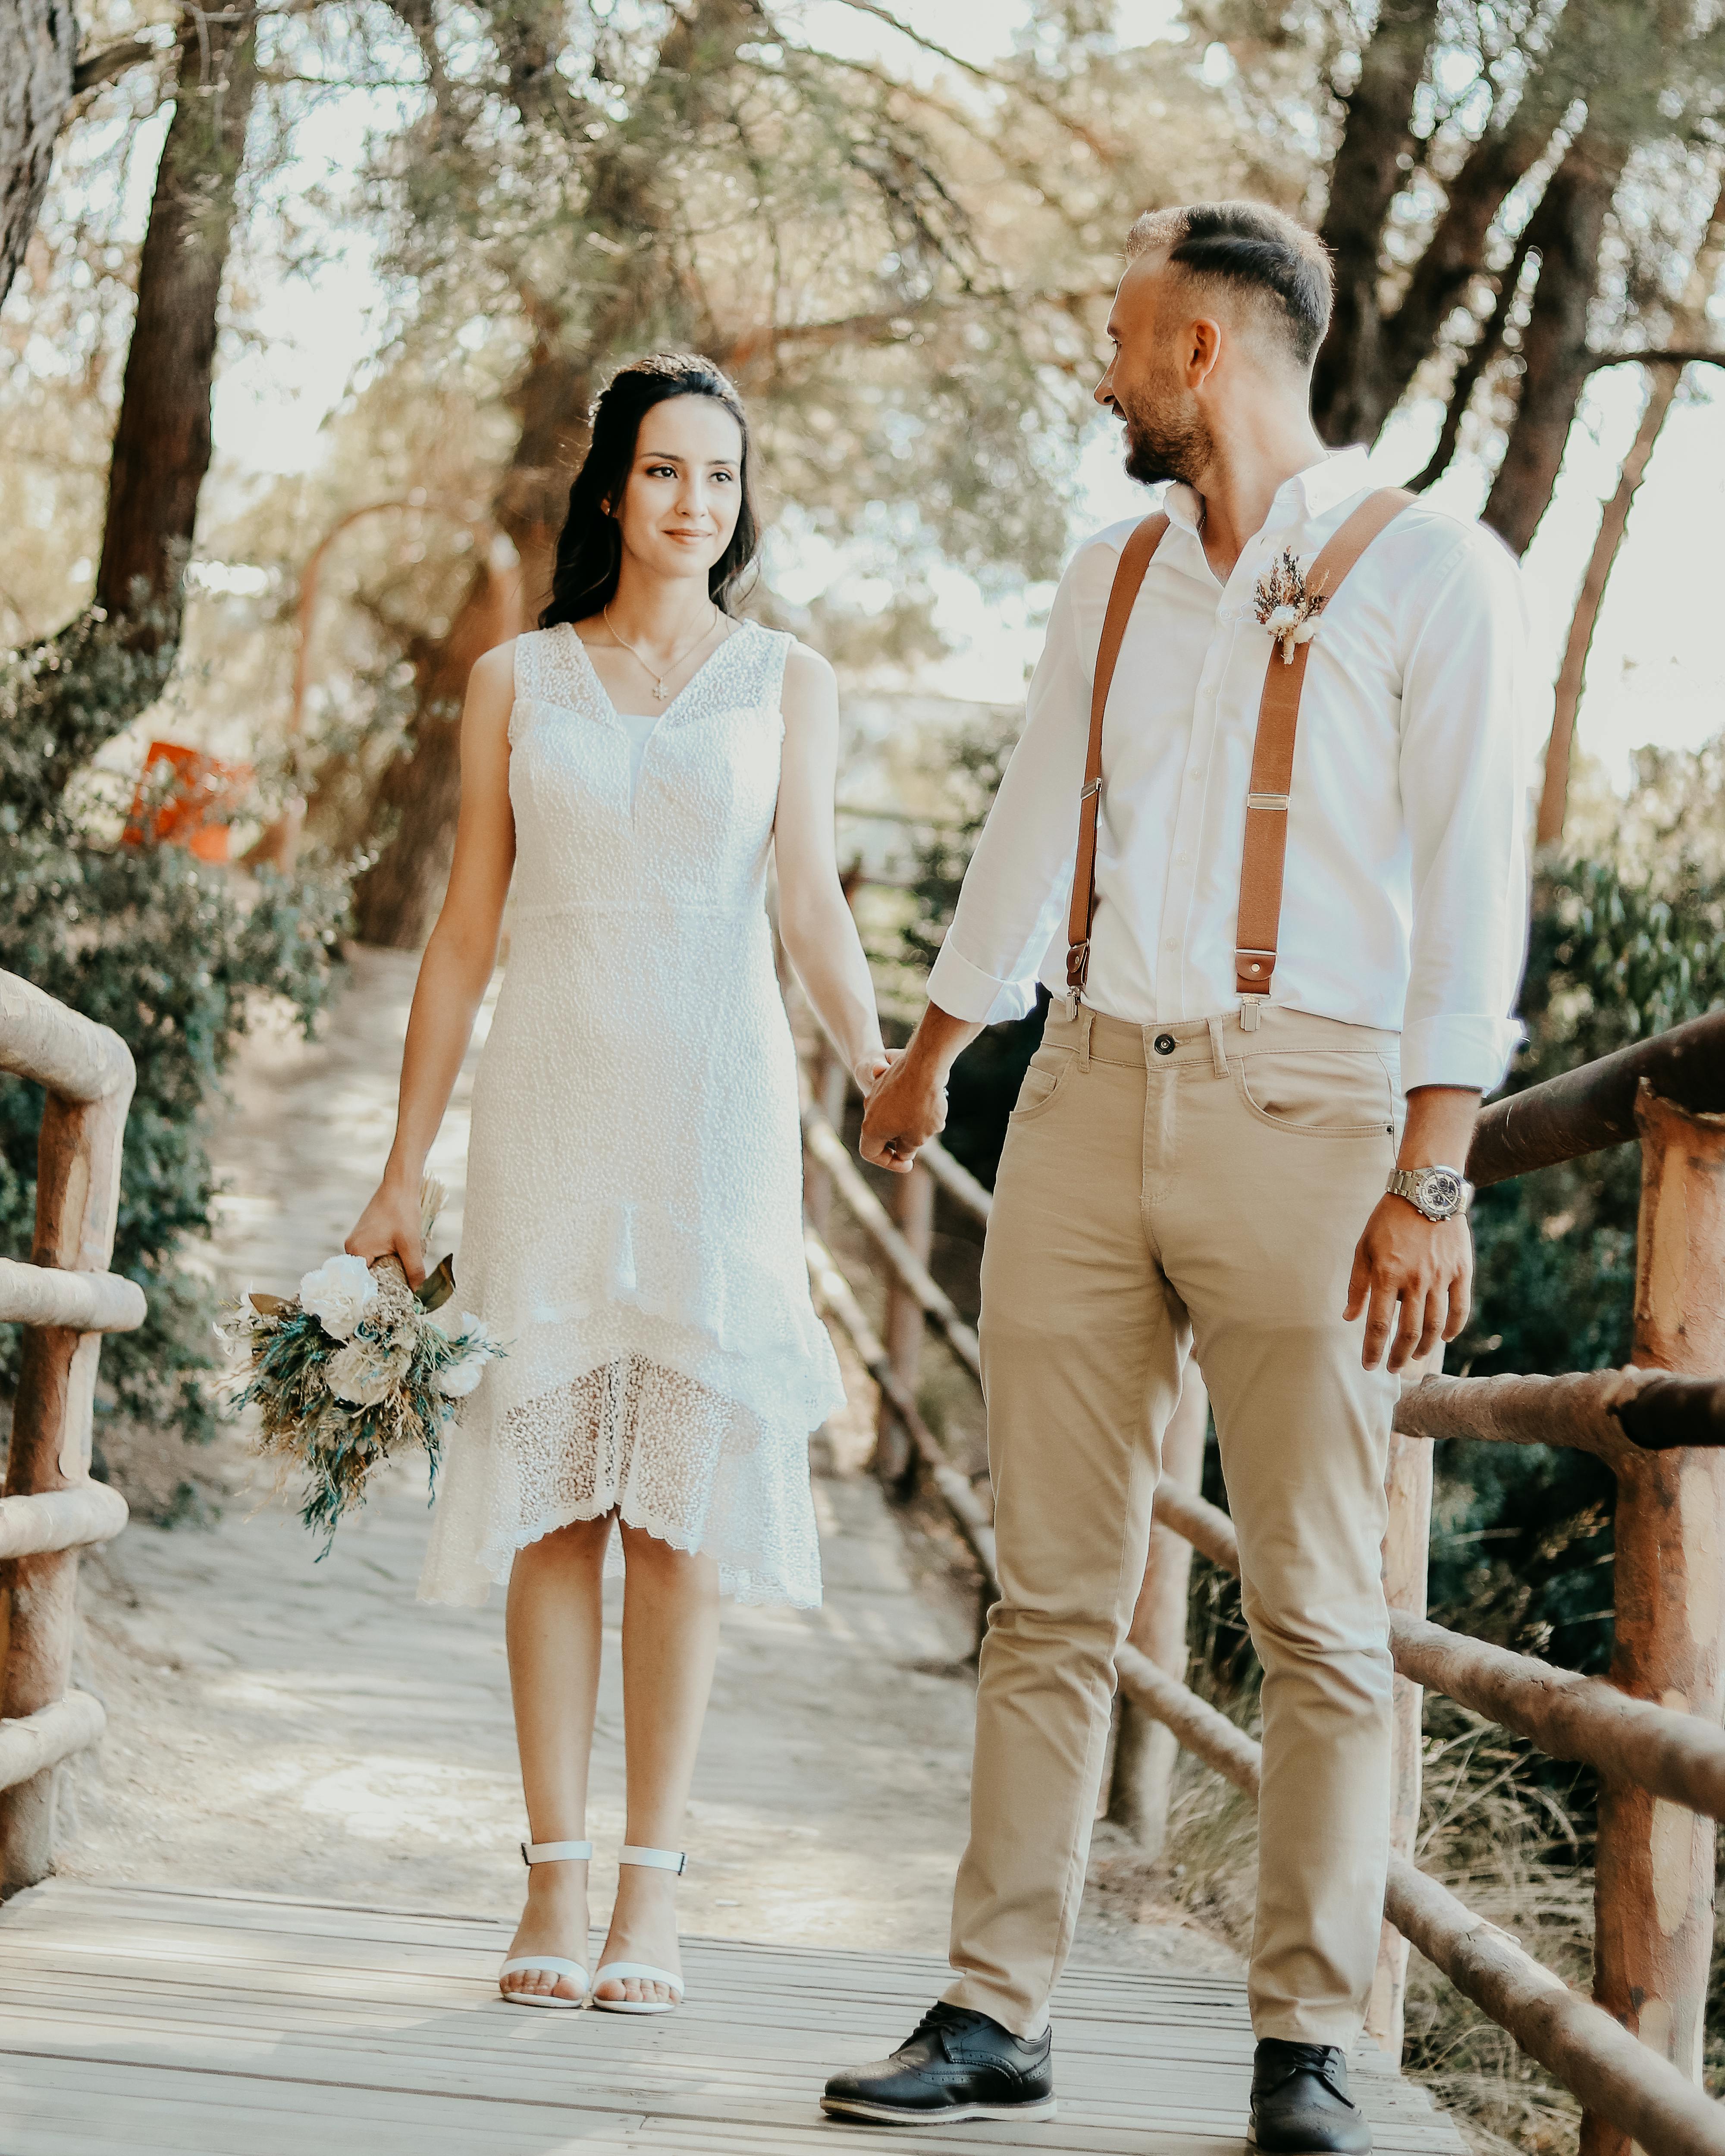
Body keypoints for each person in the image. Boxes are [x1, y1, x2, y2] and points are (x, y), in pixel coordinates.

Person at [822, 202, 1528, 2146]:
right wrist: (933, 1059)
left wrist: (1435, 1170)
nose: (1103, 366)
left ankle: (1304, 2047)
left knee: (1309, 1605)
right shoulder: (1109, 576)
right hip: (1080, 1102)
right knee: (1048, 1588)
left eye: (1123, 335)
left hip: (1315, 1121)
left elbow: (1475, 885)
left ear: (1205, 351)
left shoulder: (1430, 574)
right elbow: (1031, 817)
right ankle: (993, 2007)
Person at [347, 353, 886, 2015]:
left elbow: (810, 908)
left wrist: (884, 1067)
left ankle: (652, 1901)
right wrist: (400, 1172)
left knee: (678, 1522)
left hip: (717, 1121)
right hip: (554, 1119)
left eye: (720, 477)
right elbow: (460, 935)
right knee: (555, 1503)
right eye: (664, 472)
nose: (693, 503)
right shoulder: (517, 680)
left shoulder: (788, 679)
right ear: (610, 489)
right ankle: (552, 1879)